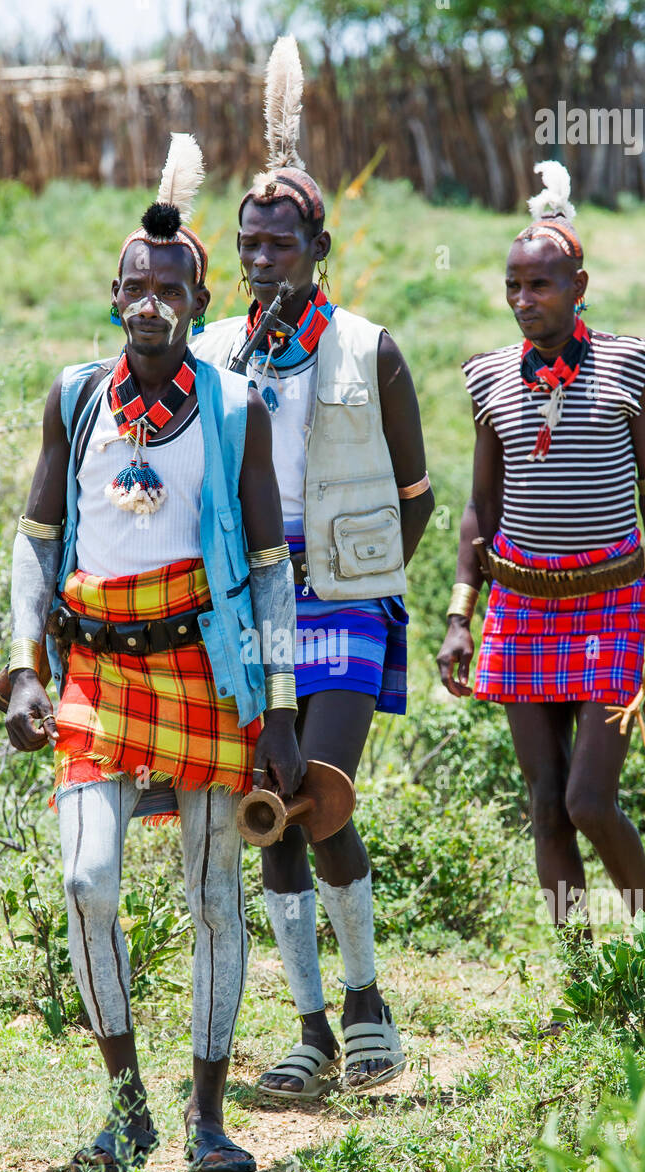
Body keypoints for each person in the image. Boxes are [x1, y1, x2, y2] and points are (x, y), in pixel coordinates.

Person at [4, 133, 303, 1172]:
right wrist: (26, 663)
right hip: (93, 673)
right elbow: (35, 541)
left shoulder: (234, 410)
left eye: (171, 285)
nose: (151, 301)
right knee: (88, 879)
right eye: (136, 283)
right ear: (116, 293)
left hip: (206, 676)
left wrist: (281, 709)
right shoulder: (75, 397)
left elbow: (269, 569)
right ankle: (125, 1105)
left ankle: (206, 1118)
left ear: (198, 294)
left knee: (213, 897)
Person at [193, 38, 434, 1096]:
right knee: (265, 805)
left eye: (279, 244)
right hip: (245, 601)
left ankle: (367, 995)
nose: (260, 261)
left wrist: (362, 586)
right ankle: (308, 1024)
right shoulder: (209, 356)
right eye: (247, 244)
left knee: (318, 791)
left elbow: (416, 497)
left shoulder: (368, 348)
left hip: (340, 595)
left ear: (315, 246)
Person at [438, 161, 645, 951]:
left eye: (540, 286)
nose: (523, 302)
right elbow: (481, 507)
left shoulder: (628, 365)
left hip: (612, 602)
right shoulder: (488, 380)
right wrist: (459, 614)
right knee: (546, 805)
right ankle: (581, 970)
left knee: (588, 800)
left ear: (578, 285)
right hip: (519, 605)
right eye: (512, 286)